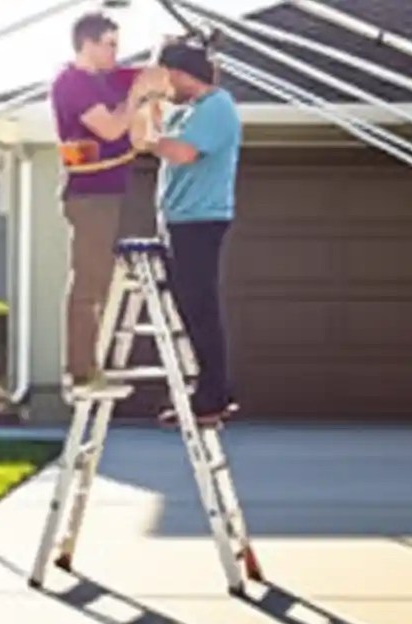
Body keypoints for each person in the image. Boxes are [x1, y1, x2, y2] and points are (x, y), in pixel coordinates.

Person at [49, 12, 156, 397]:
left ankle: (94, 365)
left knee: (109, 281)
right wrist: (136, 98)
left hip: (115, 192)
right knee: (89, 283)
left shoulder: (110, 79)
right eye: (110, 44)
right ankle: (79, 371)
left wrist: (178, 59)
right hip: (89, 195)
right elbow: (111, 128)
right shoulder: (71, 84)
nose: (116, 52)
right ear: (88, 44)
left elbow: (156, 78)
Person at [136, 40, 242, 425]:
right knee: (188, 307)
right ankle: (209, 390)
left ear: (182, 74)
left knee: (200, 307)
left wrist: (147, 141)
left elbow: (182, 153)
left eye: (167, 77)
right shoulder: (190, 111)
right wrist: (149, 101)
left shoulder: (217, 107)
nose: (166, 86)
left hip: (200, 221)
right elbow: (163, 129)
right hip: (179, 221)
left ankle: (214, 394)